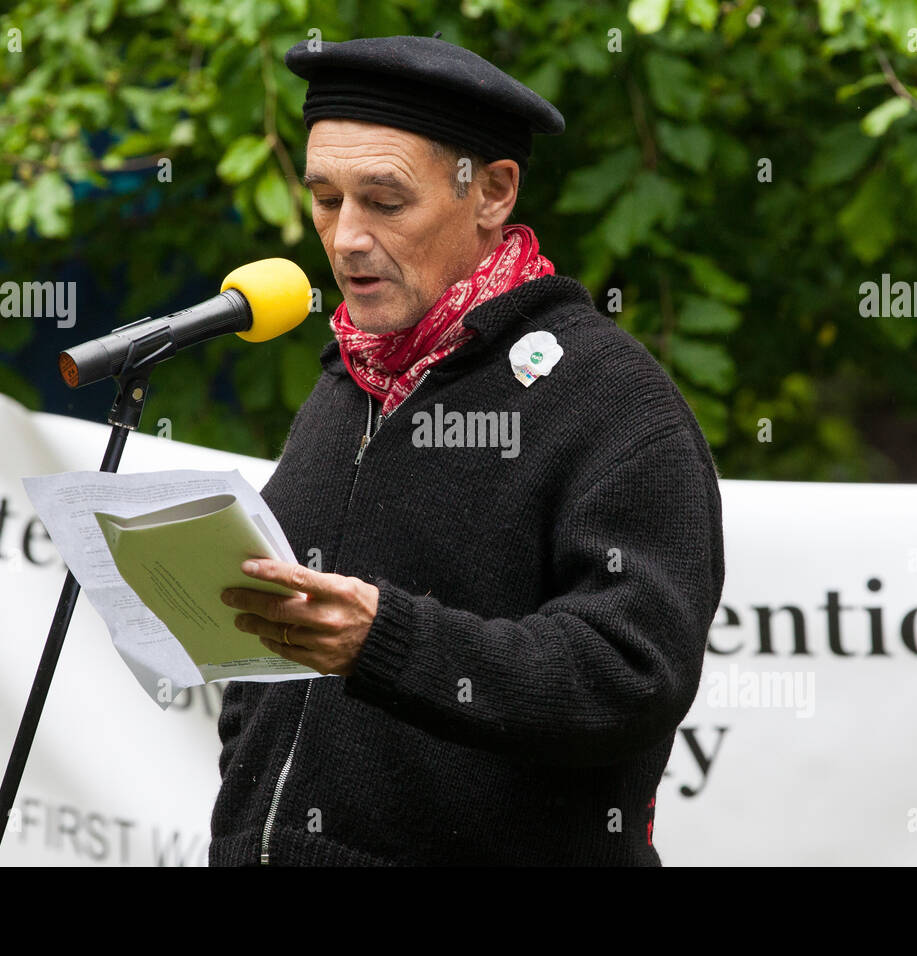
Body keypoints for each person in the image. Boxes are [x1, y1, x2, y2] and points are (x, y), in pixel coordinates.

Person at [211, 34, 725, 866]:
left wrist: (386, 643)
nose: (344, 237)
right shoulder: (348, 382)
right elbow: (267, 692)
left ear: (491, 191)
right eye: (325, 197)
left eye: (383, 200)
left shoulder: (614, 403)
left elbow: (634, 675)